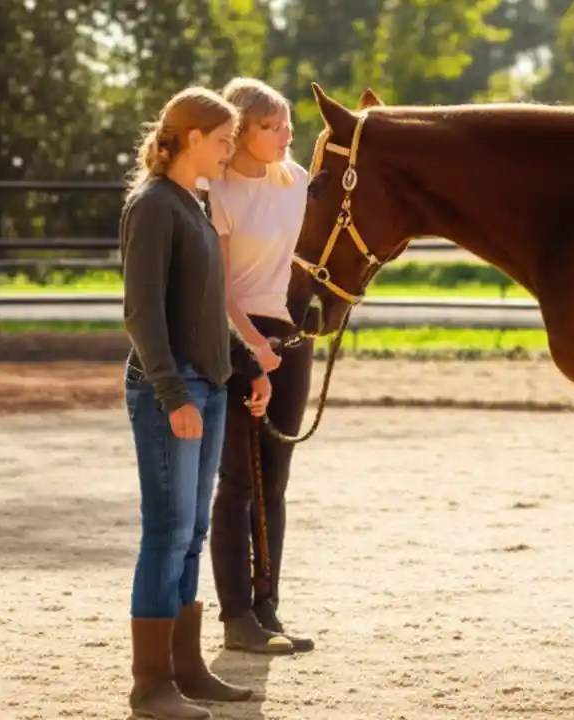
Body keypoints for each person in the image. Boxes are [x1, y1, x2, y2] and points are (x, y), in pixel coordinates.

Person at [121, 85, 272, 719]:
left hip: (208, 386)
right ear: (190, 138)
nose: (228, 150)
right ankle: (151, 684)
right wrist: (173, 392)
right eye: (221, 140)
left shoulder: (194, 201)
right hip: (171, 391)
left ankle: (186, 669)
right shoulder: (153, 206)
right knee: (167, 532)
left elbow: (208, 305)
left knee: (194, 531)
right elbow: (142, 313)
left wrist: (248, 364)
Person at [207, 77, 315, 654]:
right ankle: (236, 616)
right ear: (241, 132)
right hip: (231, 336)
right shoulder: (216, 190)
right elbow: (217, 286)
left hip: (285, 334)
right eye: (271, 126)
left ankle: (267, 604)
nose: (285, 133)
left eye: (286, 123)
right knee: (238, 481)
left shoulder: (295, 182)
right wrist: (253, 349)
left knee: (276, 476)